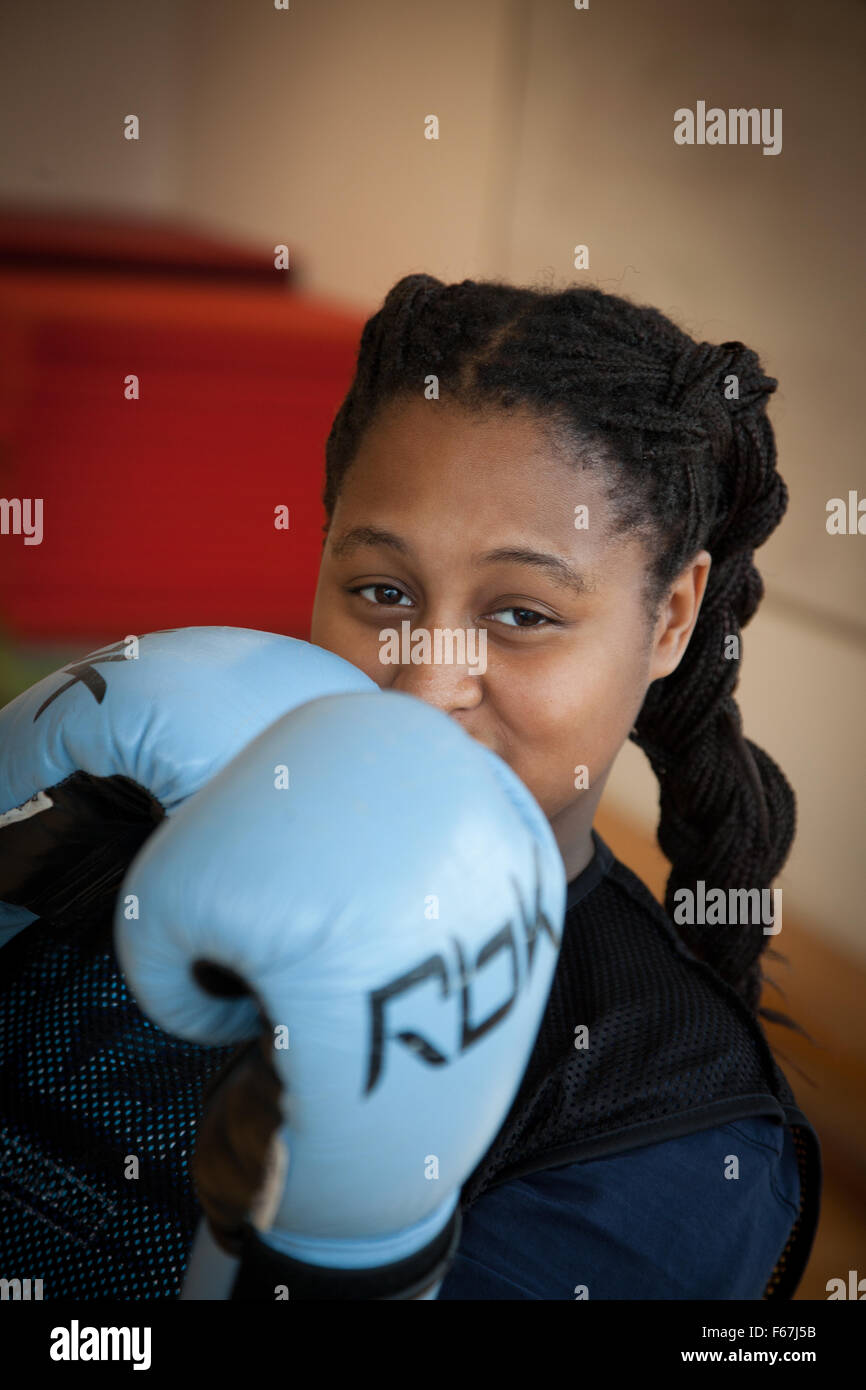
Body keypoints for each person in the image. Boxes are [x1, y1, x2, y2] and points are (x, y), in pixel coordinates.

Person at [295, 274, 820, 1299]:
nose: (422, 681)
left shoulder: (666, 1119)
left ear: (668, 619)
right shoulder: (125, 835)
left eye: (522, 613)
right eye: (381, 592)